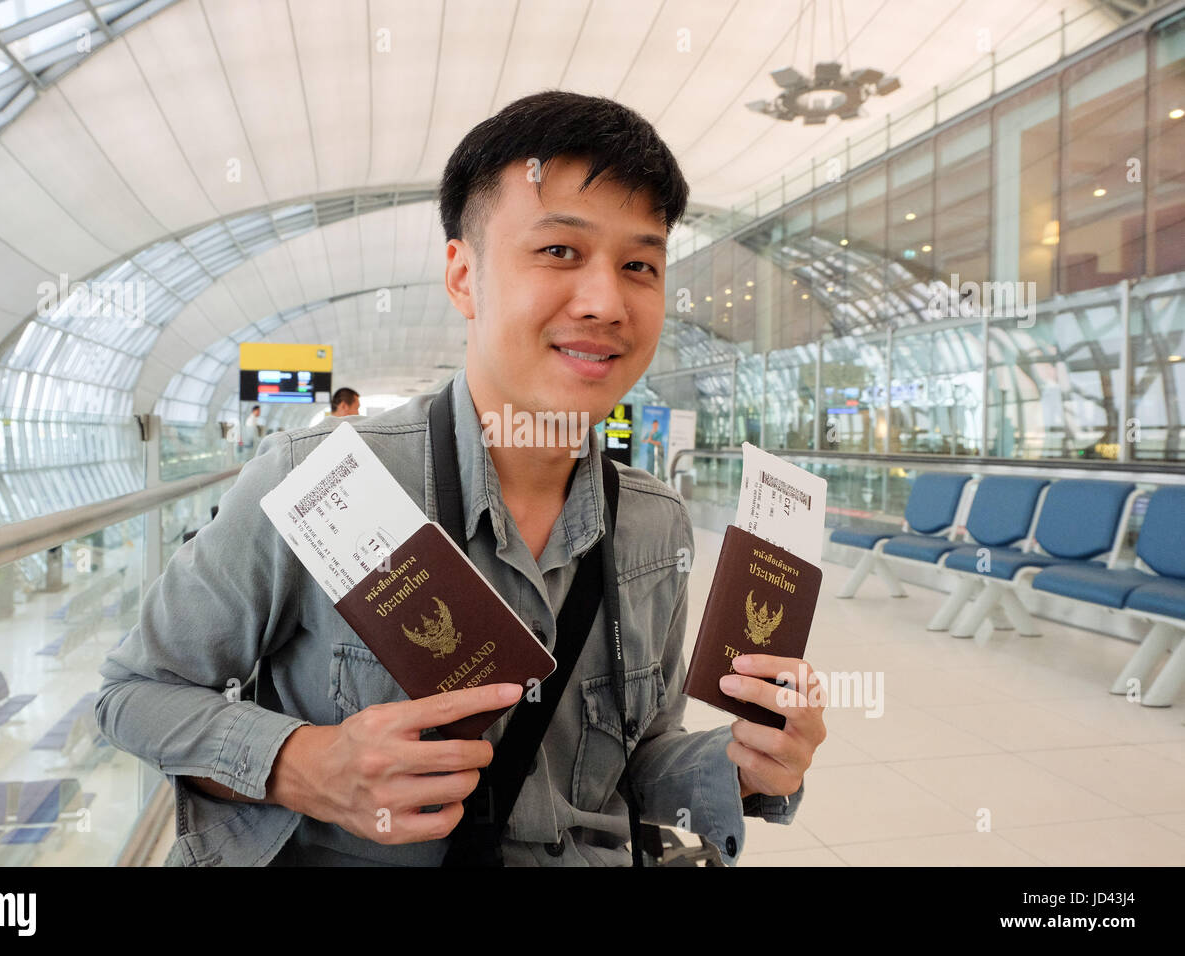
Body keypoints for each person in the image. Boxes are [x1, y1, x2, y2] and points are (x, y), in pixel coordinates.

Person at [96, 90, 824, 867]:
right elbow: (133, 694)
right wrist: (303, 766)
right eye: (559, 251)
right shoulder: (324, 484)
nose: (607, 301)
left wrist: (738, 769)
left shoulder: (653, 523)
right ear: (462, 275)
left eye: (639, 265)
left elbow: (634, 765)